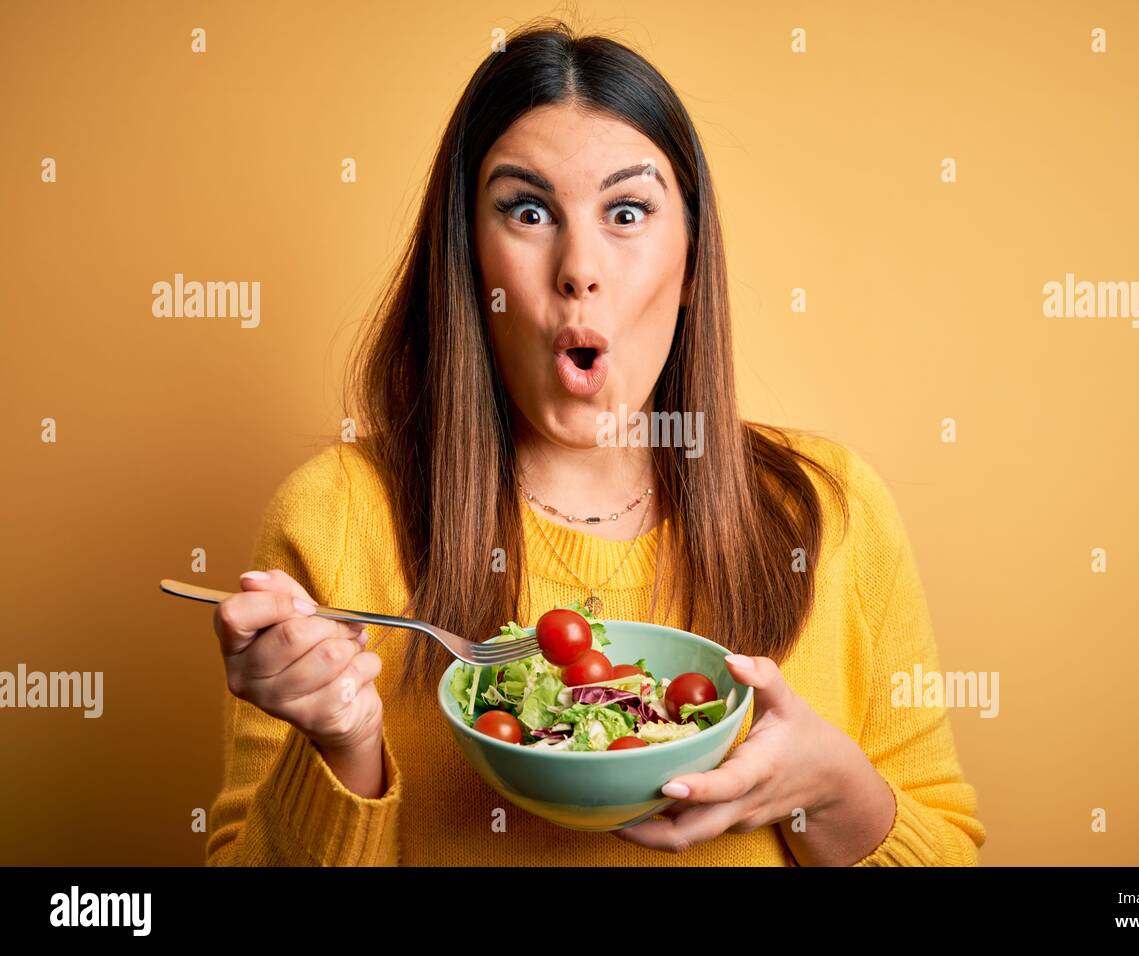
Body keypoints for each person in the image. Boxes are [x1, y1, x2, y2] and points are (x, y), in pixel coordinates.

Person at [205, 18, 985, 866]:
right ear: (466, 261)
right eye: (529, 211)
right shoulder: (335, 518)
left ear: (690, 265)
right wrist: (343, 746)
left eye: (626, 210)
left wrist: (828, 793)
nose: (580, 267)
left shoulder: (832, 512)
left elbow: (947, 845)